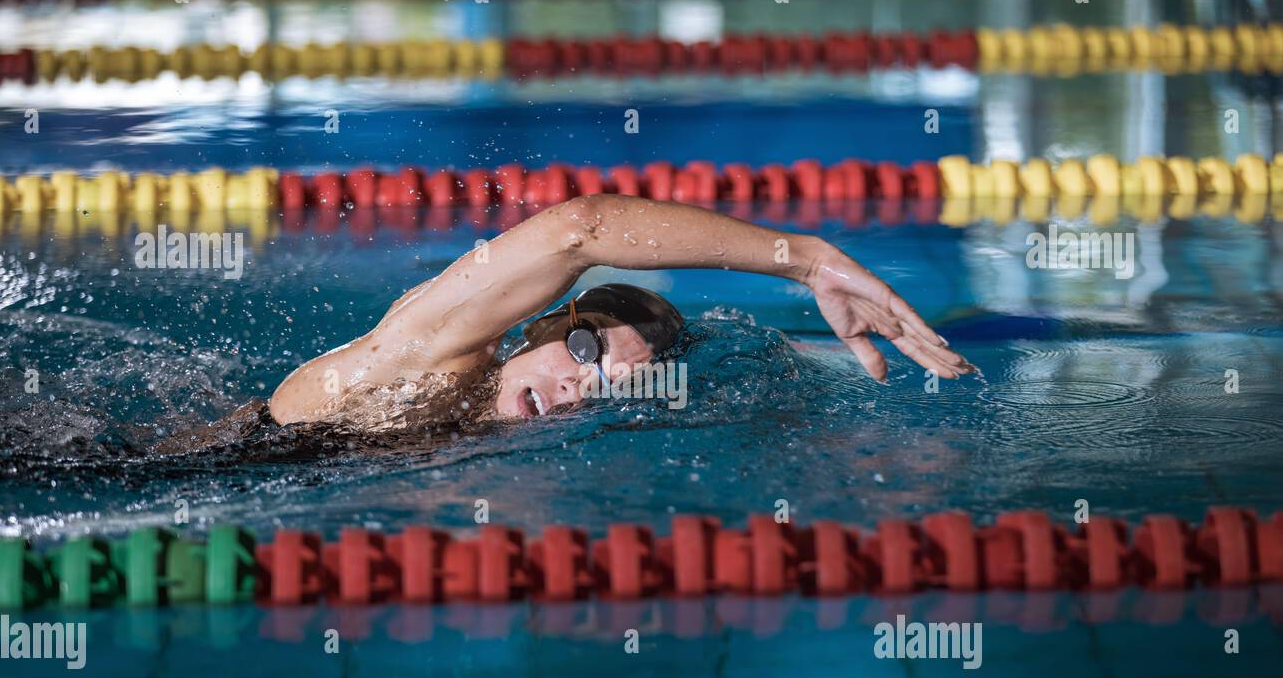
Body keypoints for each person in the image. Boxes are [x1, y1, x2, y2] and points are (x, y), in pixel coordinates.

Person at [261, 195, 973, 436]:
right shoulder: (427, 352)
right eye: (581, 352)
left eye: (609, 386)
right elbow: (580, 228)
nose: (580, 388)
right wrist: (807, 261)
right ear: (540, 325)